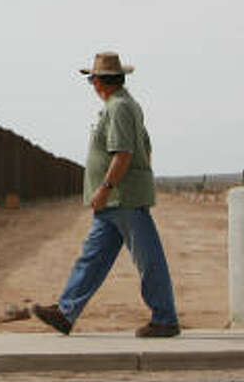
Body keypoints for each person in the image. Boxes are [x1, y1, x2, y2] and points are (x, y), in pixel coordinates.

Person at [31, 52, 180, 338]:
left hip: (122, 198)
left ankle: (165, 319)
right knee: (92, 259)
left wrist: (106, 187)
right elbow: (145, 149)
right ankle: (65, 313)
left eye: (92, 79)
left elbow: (123, 153)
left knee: (148, 259)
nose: (92, 84)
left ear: (99, 82)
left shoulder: (119, 107)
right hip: (116, 200)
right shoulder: (122, 105)